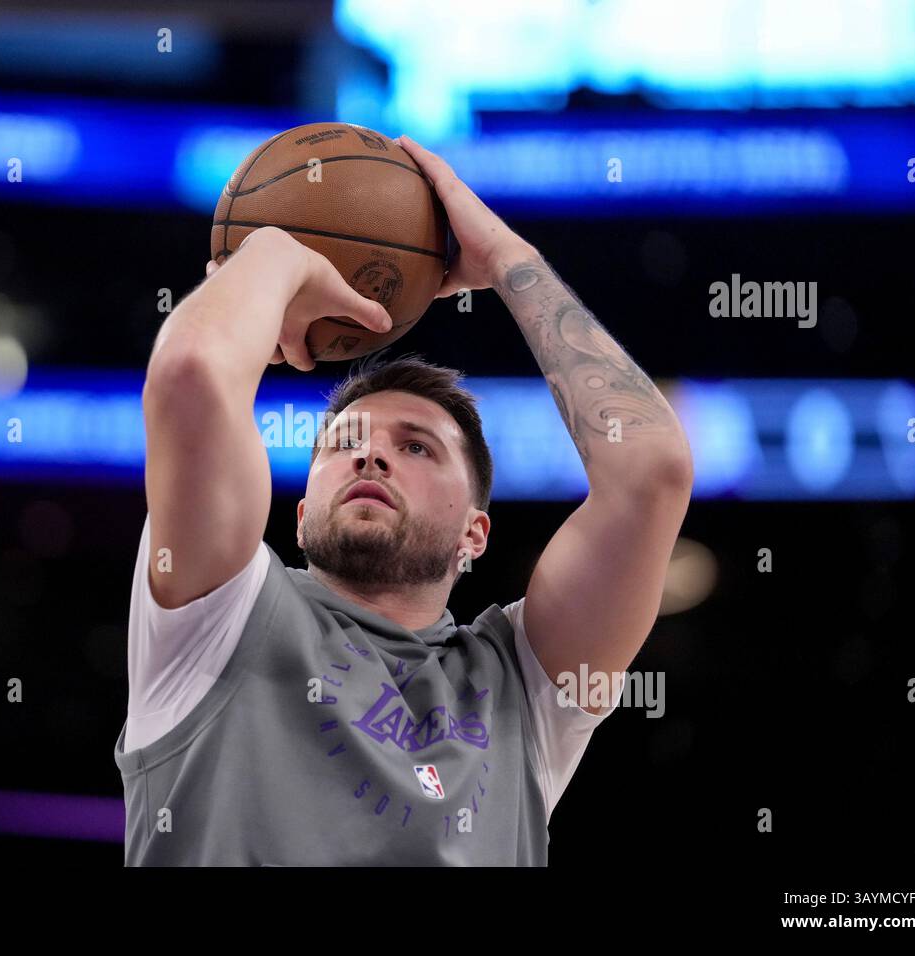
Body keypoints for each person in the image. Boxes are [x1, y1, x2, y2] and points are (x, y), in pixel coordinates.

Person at [113, 135, 693, 865]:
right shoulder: (216, 616)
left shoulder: (526, 689)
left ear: (475, 535)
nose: (371, 452)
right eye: (344, 442)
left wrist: (508, 264)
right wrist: (273, 253)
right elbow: (193, 374)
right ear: (299, 513)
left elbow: (653, 475)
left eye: (417, 446)